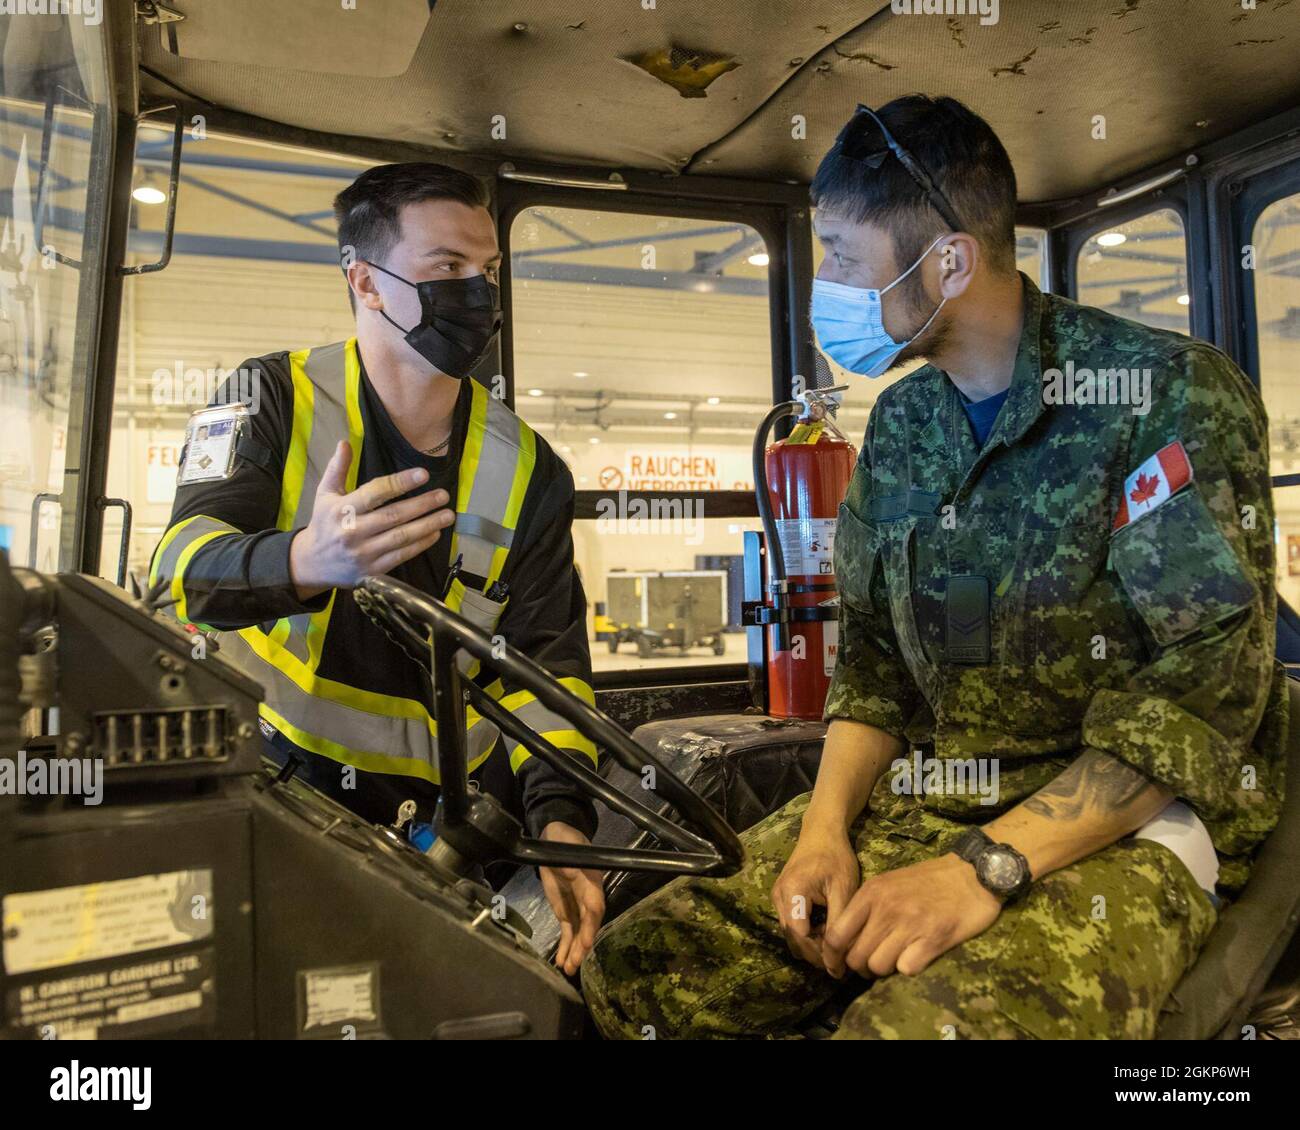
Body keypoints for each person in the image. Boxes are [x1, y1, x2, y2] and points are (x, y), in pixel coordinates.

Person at [581, 96, 1287, 1037]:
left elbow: (1191, 699)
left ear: (948, 261)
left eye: (840, 253)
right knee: (637, 970)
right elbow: (872, 658)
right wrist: (824, 831)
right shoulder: (907, 425)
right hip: (938, 796)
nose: (823, 285)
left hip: (1130, 829)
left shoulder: (1161, 398)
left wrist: (982, 869)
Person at [150, 163, 604, 973]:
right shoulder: (265, 396)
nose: (478, 295)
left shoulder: (534, 471)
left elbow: (545, 672)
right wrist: (305, 558)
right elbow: (179, 568)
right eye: (447, 270)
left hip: (437, 834)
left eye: (488, 271)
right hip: (267, 791)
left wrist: (560, 822)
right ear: (366, 281)